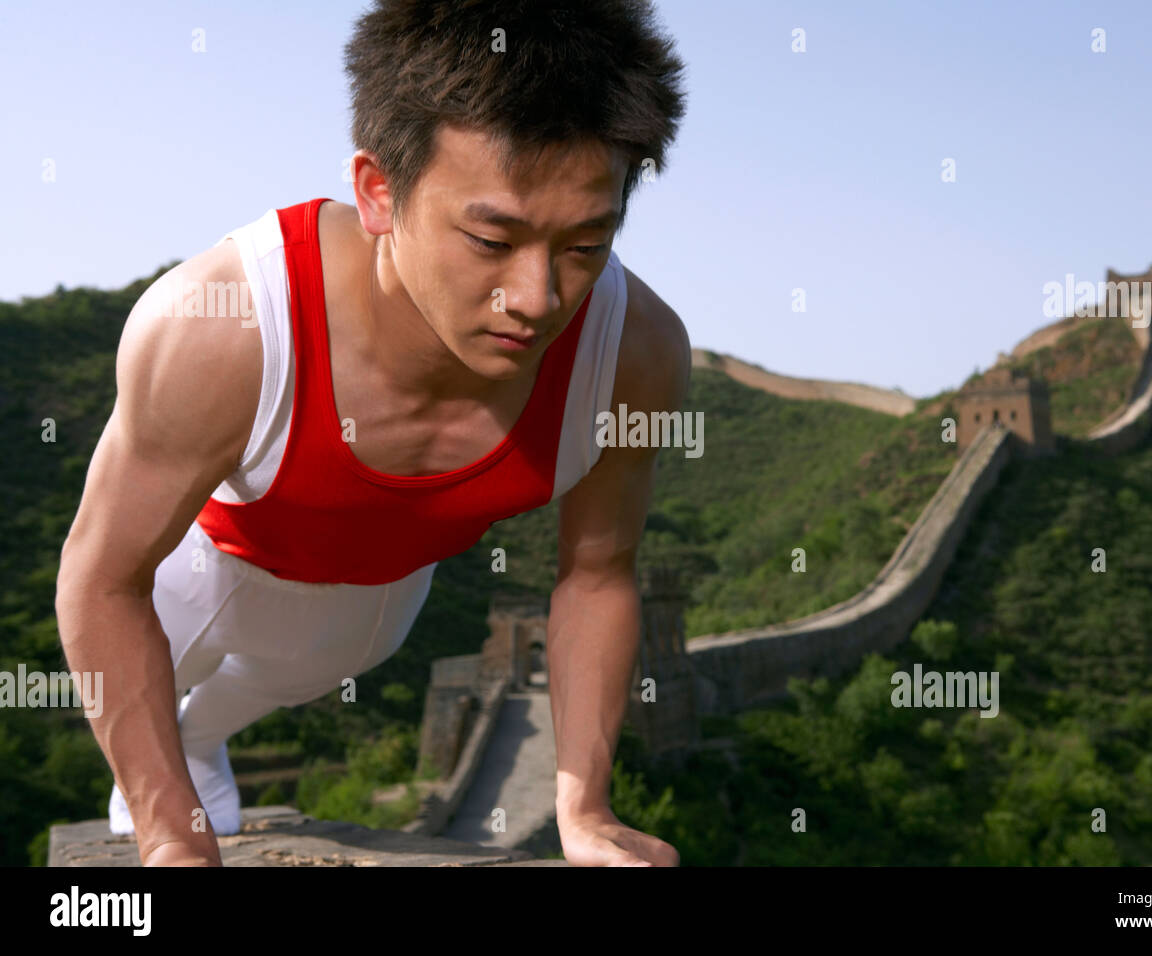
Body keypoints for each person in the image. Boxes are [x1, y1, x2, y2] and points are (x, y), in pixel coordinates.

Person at [54, 0, 689, 867]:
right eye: (490, 239)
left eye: (584, 246)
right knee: (178, 675)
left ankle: (198, 742)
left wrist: (584, 810)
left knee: (292, 674)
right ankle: (173, 773)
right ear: (379, 191)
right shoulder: (223, 325)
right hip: (204, 577)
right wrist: (170, 833)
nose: (537, 299)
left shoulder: (634, 354)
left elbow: (597, 574)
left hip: (377, 608)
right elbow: (102, 576)